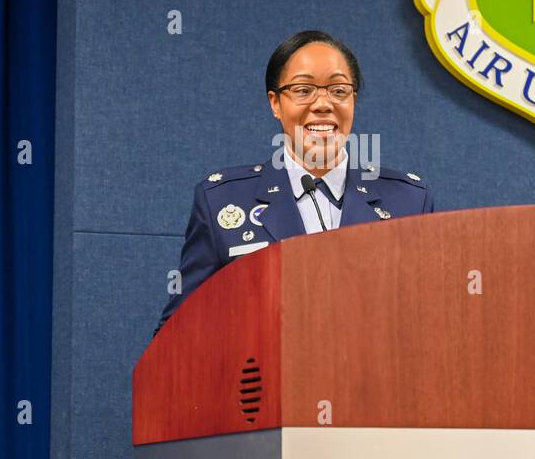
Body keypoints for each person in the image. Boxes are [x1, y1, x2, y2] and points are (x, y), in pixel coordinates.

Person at [154, 30, 434, 337]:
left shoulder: (409, 201)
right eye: (303, 90)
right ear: (275, 103)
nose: (323, 104)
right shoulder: (222, 200)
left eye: (339, 90)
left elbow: (432, 323)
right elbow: (176, 336)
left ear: (353, 100)